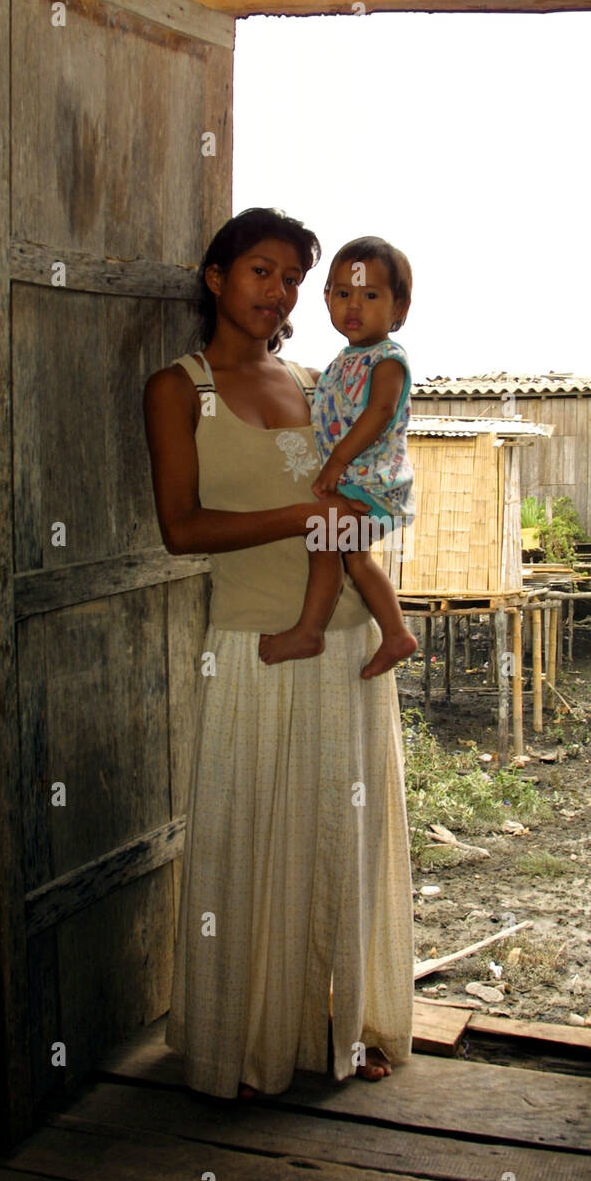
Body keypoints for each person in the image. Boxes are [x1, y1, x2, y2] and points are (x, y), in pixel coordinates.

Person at [143, 208, 415, 1100]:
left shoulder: (316, 380)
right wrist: (301, 516)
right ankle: (251, 1037)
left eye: (294, 277)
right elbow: (182, 529)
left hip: (344, 651)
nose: (282, 291)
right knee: (255, 843)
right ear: (216, 277)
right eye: (263, 271)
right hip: (257, 647)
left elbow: (366, 485)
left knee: (339, 843)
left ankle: (335, 1028)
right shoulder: (180, 388)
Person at [258, 236, 419, 679]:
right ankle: (395, 633)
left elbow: (378, 414)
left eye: (371, 295)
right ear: (326, 298)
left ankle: (312, 631)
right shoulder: (343, 362)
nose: (355, 305)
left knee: (326, 545)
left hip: (372, 485)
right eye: (343, 293)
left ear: (399, 309)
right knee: (349, 555)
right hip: (355, 482)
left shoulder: (387, 361)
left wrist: (336, 464)